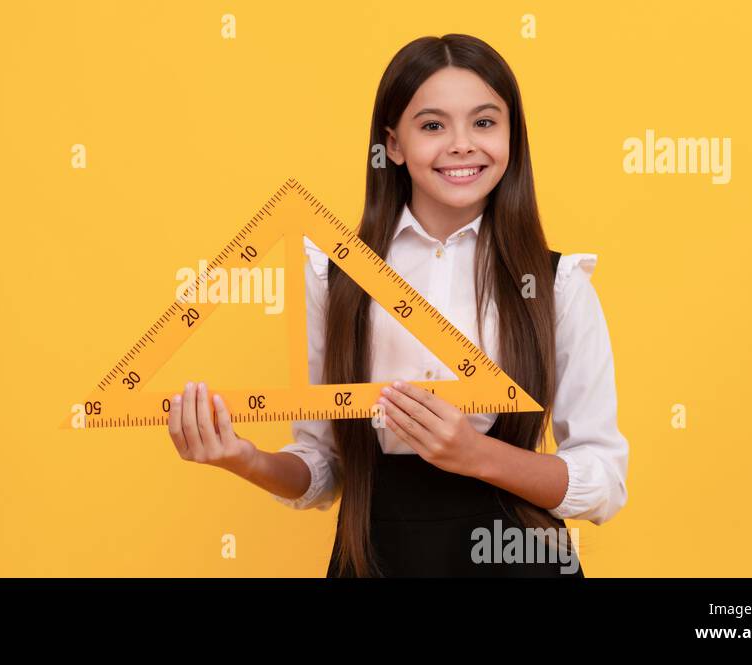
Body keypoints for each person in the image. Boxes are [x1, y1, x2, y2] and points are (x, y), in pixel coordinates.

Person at [166, 34, 628, 577]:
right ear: (394, 144)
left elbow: (603, 482)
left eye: (484, 122)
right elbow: (323, 466)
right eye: (433, 125)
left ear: (512, 135)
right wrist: (243, 458)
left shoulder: (557, 285)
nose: (461, 145)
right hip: (376, 557)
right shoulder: (335, 278)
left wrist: (476, 455)